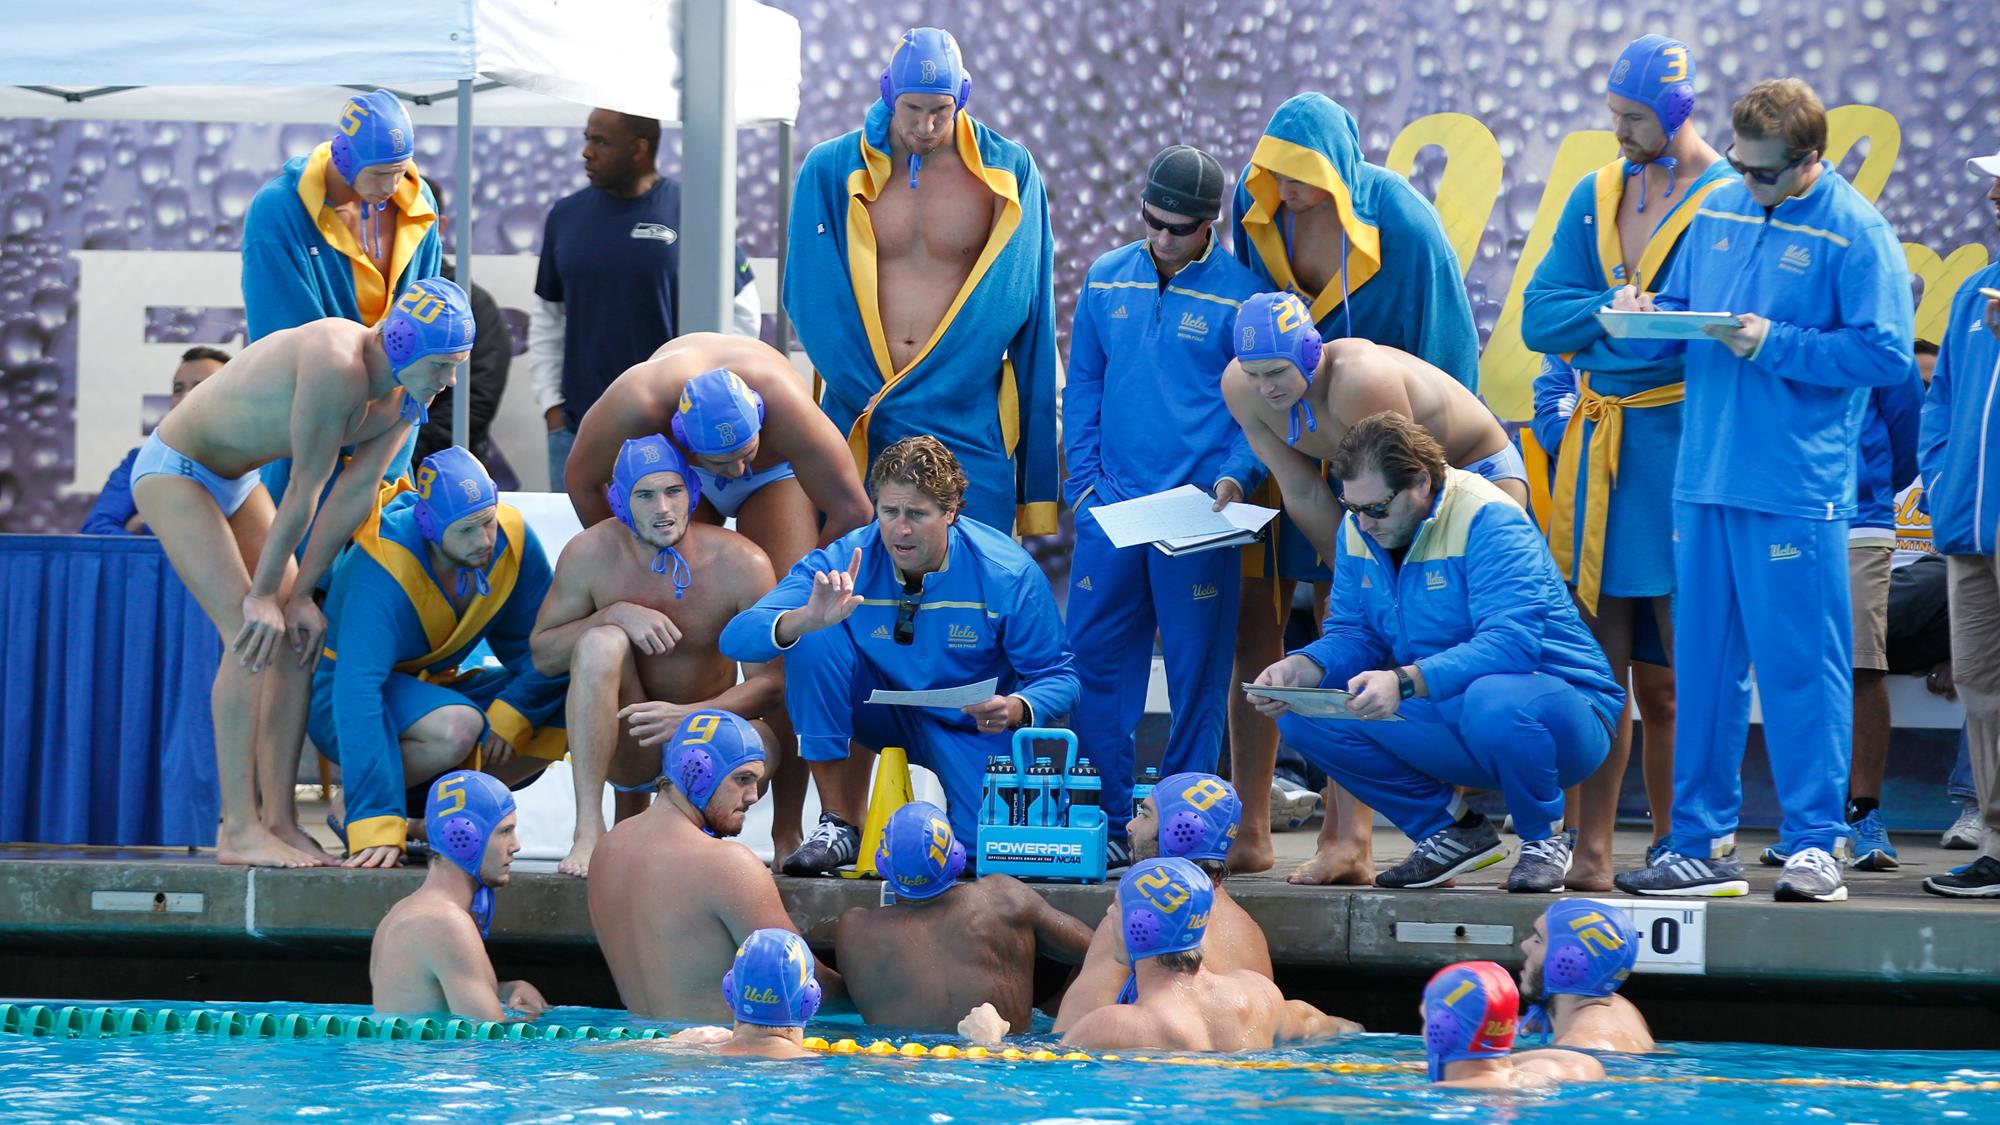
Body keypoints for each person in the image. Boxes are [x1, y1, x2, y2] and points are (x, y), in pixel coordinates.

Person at [1611, 78, 1917, 904]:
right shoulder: (1717, 205)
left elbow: (1885, 356)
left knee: (1799, 668)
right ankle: (1699, 840)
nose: (1747, 182)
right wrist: (1648, 311)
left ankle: (1816, 844)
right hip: (1703, 476)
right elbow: (1692, 313)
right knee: (1703, 669)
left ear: (1810, 161)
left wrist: (1774, 343)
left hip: (1793, 485)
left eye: (1765, 173)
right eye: (1740, 165)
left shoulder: (1858, 234)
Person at [1225, 92, 1482, 886]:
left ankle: (1368, 834)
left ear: (1342, 174)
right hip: (1311, 445)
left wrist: (1416, 505)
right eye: (1278, 176)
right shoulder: (1257, 211)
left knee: (1392, 640)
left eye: (1306, 179)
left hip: (1399, 454)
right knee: (1289, 634)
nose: (1290, 192)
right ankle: (1256, 826)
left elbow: (1447, 349)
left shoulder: (1400, 222)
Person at [131, 277, 473, 868]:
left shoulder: (408, 393)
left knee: (295, 637)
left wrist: (299, 596)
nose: (448, 380)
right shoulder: (335, 362)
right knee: (249, 635)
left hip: (234, 482)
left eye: (456, 367)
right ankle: (237, 828)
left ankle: (279, 820)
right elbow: (306, 488)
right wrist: (265, 595)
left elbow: (355, 490)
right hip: (177, 470)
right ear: (402, 344)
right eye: (443, 365)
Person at [1249, 413, 1623, 893]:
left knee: (1493, 698)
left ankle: (1543, 840)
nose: (1364, 522)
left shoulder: (1490, 517)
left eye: (1378, 507)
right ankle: (1450, 831)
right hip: (1456, 712)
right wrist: (1304, 666)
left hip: (1566, 719)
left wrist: (1403, 681)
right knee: (1305, 715)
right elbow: (1354, 632)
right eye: (1352, 506)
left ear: (1422, 481)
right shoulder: (1359, 525)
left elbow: (1512, 645)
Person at [1521, 35, 1730, 891]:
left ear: (1677, 113)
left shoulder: (1725, 200)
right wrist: (1615, 309)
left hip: (1682, 456)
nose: (1620, 133)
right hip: (1599, 457)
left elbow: (1716, 327)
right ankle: (1594, 850)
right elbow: (1540, 317)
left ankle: (1691, 843)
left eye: (1634, 119)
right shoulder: (1595, 193)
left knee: (1685, 672)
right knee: (1593, 671)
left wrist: (1611, 327)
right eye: (1612, 115)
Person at [720, 436, 1078, 873]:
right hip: (876, 713)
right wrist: (804, 618)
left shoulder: (1007, 572)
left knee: (989, 857)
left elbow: (1061, 678)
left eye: (917, 514)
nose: (900, 529)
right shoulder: (848, 557)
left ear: (951, 512)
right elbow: (735, 638)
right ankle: (837, 823)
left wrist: (1018, 706)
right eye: (889, 512)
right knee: (813, 634)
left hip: (972, 723)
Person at [1063, 145, 1270, 865]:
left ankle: (1187, 832)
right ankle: (1105, 823)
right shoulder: (1103, 280)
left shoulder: (1242, 296)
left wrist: (1235, 480)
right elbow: (1082, 384)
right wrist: (1084, 487)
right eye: (1150, 222)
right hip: (1110, 511)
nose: (1159, 238)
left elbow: (1259, 408)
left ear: (1208, 224)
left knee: (1197, 678)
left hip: (1198, 516)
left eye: (1176, 229)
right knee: (1092, 666)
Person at [786, 27, 1060, 536]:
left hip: (965, 414)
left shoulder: (1008, 172)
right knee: (853, 586)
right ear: (888, 93)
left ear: (963, 97)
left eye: (941, 109)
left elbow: (1028, 312)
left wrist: (1038, 485)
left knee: (976, 588)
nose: (927, 124)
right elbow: (809, 299)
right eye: (913, 109)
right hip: (865, 408)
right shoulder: (828, 168)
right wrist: (871, 391)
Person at [530, 434, 785, 877]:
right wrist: (612, 613)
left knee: (765, 741)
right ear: (620, 502)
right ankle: (589, 829)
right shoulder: (589, 554)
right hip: (631, 745)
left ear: (693, 491)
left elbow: (772, 684)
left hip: (707, 740)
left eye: (673, 491)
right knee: (598, 642)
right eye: (645, 495)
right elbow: (543, 655)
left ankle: (710, 850)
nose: (663, 508)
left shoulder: (741, 563)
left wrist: (688, 715)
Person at [311, 447, 566, 867]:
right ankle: (359, 806)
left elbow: (544, 649)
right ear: (428, 525)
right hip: (343, 701)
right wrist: (373, 814)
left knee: (571, 689)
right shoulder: (381, 565)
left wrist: (516, 709)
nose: (483, 541)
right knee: (458, 727)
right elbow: (357, 693)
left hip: (437, 690)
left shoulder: (511, 538)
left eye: (487, 522)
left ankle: (437, 819)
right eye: (466, 531)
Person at [529, 108, 760, 490]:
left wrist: (710, 409)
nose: (586, 152)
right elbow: (547, 318)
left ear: (639, 148)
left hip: (677, 436)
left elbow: (743, 314)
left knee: (676, 546)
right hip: (582, 431)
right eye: (587, 138)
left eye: (599, 141)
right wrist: (552, 408)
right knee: (586, 545)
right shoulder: (565, 216)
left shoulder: (693, 211)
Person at [1225, 290, 1530, 565]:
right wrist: (1350, 577)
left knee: (1471, 595)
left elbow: (1411, 490)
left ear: (1310, 352)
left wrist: (1389, 585)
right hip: (1403, 491)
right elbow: (1304, 493)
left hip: (1476, 470)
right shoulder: (1240, 390)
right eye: (1252, 373)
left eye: (1277, 371)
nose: (1265, 388)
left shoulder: (1359, 381)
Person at [1758, 376, 1918, 873]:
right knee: (1798, 670)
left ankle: (1865, 816)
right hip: (1784, 515)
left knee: (1862, 666)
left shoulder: (1877, 329)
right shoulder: (1768, 321)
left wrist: (1864, 482)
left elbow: (1906, 436)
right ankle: (1810, 823)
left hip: (1861, 520)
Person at [587, 711, 843, 1018]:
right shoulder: (726, 863)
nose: (753, 796)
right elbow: (802, 982)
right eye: (743, 779)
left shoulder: (606, 851)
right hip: (711, 1058)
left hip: (633, 1051)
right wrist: (877, 995)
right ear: (697, 769)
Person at [563, 335, 874, 569]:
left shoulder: (787, 409)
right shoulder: (639, 403)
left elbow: (853, 511)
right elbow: (581, 481)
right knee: (679, 592)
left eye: (748, 453)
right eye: (721, 462)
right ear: (679, 434)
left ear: (761, 415)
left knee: (779, 605)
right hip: (682, 474)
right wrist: (627, 558)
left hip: (773, 478)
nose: (738, 471)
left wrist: (806, 587)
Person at [1918, 149, 2000, 898]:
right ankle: (1996, 839)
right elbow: (1940, 401)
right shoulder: (1976, 291)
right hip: (1969, 530)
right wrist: (1945, 483)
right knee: (1980, 682)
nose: (1996, 195)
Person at [834, 801, 1092, 1031]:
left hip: (905, 1066)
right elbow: (1100, 952)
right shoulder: (1003, 898)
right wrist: (1050, 1018)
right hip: (1010, 1062)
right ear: (955, 857)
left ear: (882, 863)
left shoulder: (855, 931)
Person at [1058, 858, 1357, 1052]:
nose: (1110, 912)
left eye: (1117, 905)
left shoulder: (1111, 1027)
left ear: (1141, 926)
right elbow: (1331, 1027)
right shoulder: (1258, 995)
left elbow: (1037, 1064)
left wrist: (1007, 1034)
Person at [1052, 774, 1273, 1034]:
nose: (1130, 826)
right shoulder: (1249, 931)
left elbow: (1068, 1038)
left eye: (1145, 815)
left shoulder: (1146, 918)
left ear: (1181, 832)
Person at [242, 89, 441, 341]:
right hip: (311, 377)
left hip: (397, 378)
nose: (390, 187)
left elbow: (426, 306)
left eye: (399, 171)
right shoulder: (279, 208)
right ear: (343, 158)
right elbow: (277, 328)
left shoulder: (418, 197)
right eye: (379, 174)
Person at [370, 770, 548, 1020]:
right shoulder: (445, 923)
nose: (516, 845)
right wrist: (531, 1020)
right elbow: (492, 1041)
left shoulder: (402, 912)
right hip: (436, 1060)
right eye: (505, 831)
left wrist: (510, 989)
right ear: (464, 837)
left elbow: (441, 991)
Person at [413, 177, 512, 469]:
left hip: (441, 474)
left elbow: (474, 402)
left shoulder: (471, 305)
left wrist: (400, 453)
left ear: (439, 226)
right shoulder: (359, 296)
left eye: (412, 220)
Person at [81, 347, 226, 535]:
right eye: (178, 389)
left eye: (199, 387)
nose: (185, 397)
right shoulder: (139, 460)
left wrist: (145, 523)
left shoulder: (259, 463)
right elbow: (96, 532)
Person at [1422, 961, 1604, 1089]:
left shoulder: (1434, 1094)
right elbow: (1584, 1061)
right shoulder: (1542, 1074)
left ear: (1440, 1029)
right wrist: (1495, 1060)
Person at [662, 930, 823, 1059]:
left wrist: (676, 1044)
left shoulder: (692, 1053)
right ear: (810, 998)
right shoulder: (820, 1067)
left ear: (730, 991)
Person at [1517, 901, 1655, 1053]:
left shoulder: (1577, 1048)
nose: (1524, 945)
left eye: (1538, 940)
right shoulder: (1621, 1008)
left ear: (1569, 962)